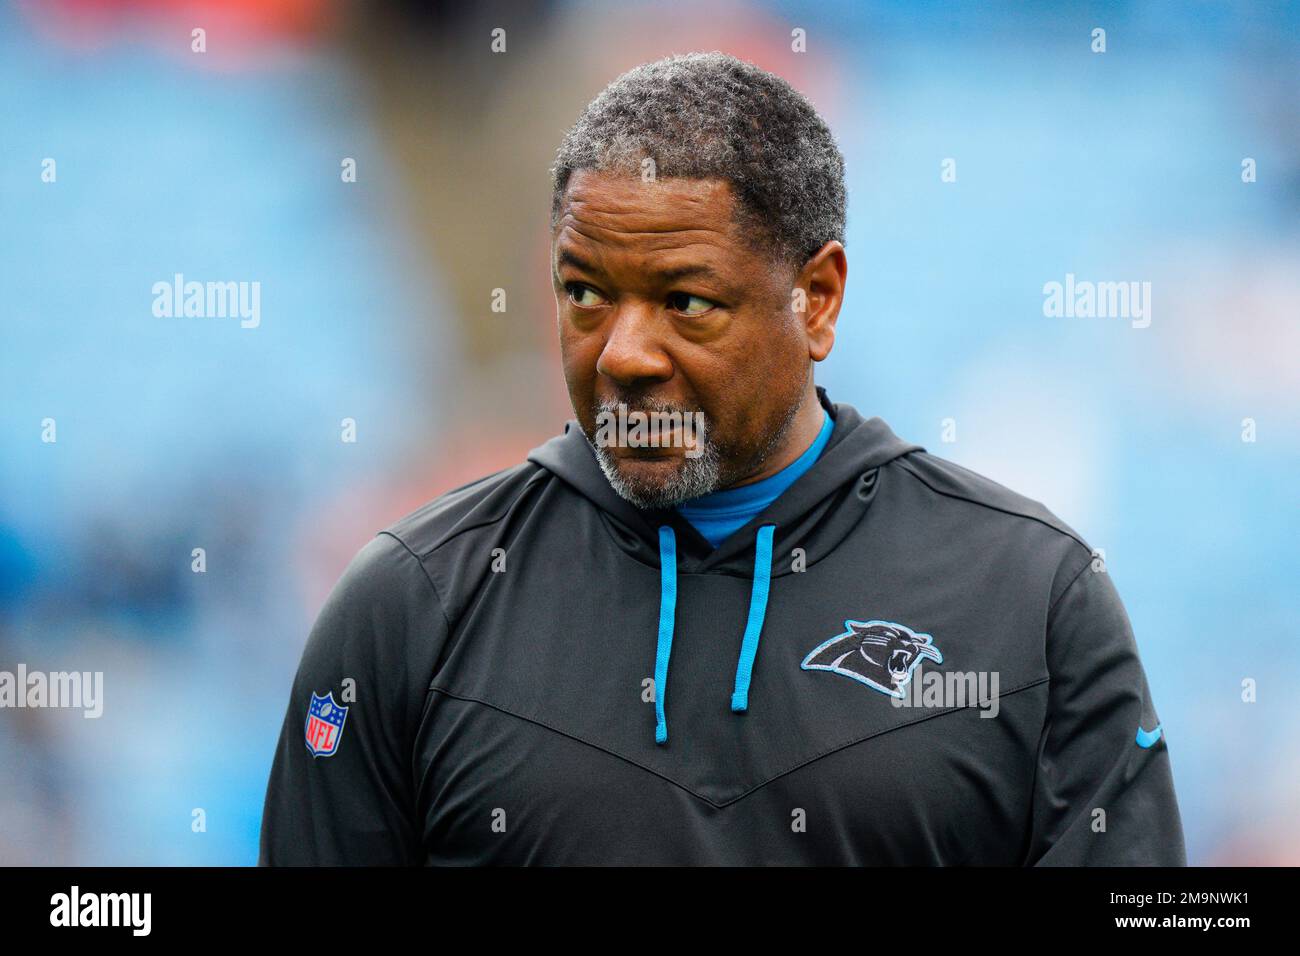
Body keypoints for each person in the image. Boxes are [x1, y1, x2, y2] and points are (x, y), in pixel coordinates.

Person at [259, 52, 1186, 865]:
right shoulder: (410, 605)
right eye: (584, 293)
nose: (622, 353)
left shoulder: (1029, 599)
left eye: (686, 301)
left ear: (816, 300)